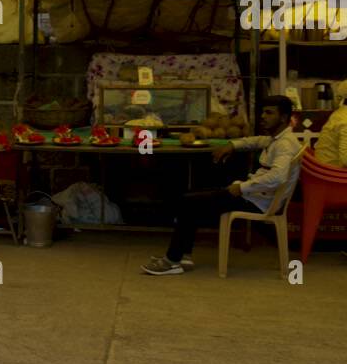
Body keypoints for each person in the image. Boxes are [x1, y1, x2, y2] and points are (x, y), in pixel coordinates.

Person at [142, 96, 301, 276]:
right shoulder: (277, 139)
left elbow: (277, 177)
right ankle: (182, 256)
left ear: (283, 117)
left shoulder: (284, 145)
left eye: (269, 113)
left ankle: (172, 260)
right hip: (256, 196)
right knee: (192, 197)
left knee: (188, 202)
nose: (263, 116)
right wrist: (232, 145)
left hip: (257, 201)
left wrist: (242, 188)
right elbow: (256, 141)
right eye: (263, 112)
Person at [314, 80, 347, 168]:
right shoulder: (345, 120)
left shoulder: (340, 113)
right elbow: (345, 159)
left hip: (325, 169)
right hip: (332, 174)